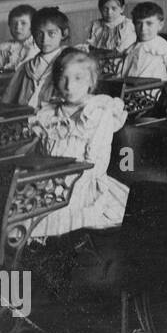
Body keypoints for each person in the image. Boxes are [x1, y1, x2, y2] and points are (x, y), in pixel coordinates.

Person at [27, 49, 129, 240]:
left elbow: (96, 164)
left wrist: (60, 189)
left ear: (91, 81)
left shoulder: (98, 113)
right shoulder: (48, 114)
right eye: (63, 78)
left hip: (83, 184)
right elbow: (38, 154)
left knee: (48, 220)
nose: (69, 86)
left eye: (78, 78)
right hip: (47, 182)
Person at [5, 7, 70, 107]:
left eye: (51, 33)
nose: (44, 39)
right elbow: (8, 101)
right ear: (33, 34)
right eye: (39, 34)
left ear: (64, 33)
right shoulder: (25, 68)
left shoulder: (69, 64)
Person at [122, 3, 167, 80]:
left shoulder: (164, 48)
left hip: (155, 90)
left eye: (149, 23)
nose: (143, 28)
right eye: (139, 23)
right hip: (130, 89)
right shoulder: (131, 49)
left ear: (160, 25)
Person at [0, 4, 38, 71]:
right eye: (13, 23)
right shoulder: (6, 47)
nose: (18, 27)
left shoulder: (36, 47)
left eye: (23, 23)